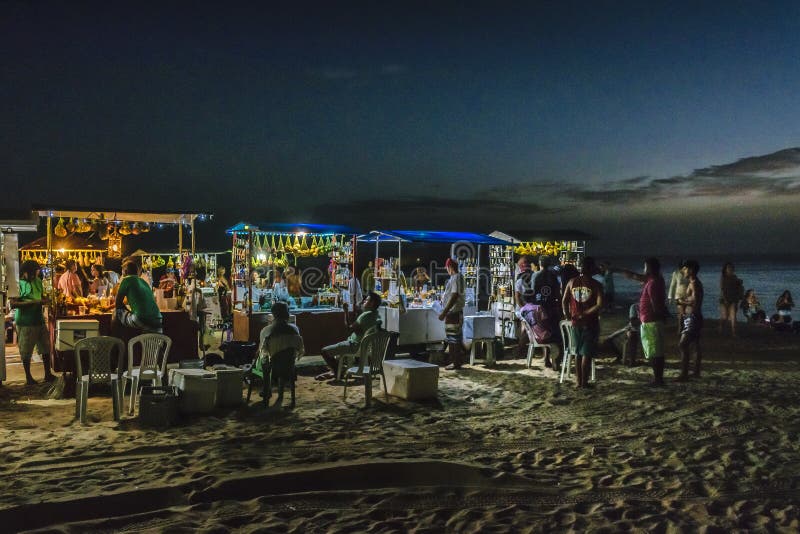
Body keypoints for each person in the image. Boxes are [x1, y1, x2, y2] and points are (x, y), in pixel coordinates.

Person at [612, 257, 668, 386]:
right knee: (655, 351)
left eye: (645, 267)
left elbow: (656, 304)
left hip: (651, 322)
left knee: (655, 352)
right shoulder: (653, 280)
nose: (643, 269)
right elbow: (634, 276)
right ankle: (658, 379)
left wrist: (651, 317)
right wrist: (618, 270)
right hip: (651, 321)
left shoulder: (653, 282)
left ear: (649, 268)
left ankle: (658, 380)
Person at [317, 291, 382, 381]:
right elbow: (359, 330)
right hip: (365, 346)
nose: (363, 302)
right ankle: (336, 370)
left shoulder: (365, 316)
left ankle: (337, 372)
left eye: (366, 300)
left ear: (372, 303)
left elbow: (349, 328)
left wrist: (346, 311)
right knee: (338, 351)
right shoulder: (376, 315)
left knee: (324, 351)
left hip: (354, 346)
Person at [561, 256, 604, 388]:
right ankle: (584, 382)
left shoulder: (571, 282)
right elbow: (599, 304)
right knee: (587, 353)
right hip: (590, 323)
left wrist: (569, 316)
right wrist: (585, 313)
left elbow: (564, 301)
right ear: (591, 268)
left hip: (575, 323)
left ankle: (578, 381)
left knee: (578, 353)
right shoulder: (596, 284)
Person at [10, 260, 55, 384]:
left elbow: (41, 296)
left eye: (37, 273)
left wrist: (46, 300)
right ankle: (28, 377)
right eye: (33, 274)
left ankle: (48, 374)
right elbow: (13, 304)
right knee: (26, 351)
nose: (35, 276)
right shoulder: (18, 284)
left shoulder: (38, 281)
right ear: (25, 273)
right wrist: (33, 303)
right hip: (25, 322)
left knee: (46, 348)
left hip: (39, 320)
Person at [257, 301, 304, 408]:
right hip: (289, 365)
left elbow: (263, 351)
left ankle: (266, 390)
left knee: (263, 361)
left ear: (273, 314)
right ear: (287, 314)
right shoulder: (295, 329)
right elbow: (299, 349)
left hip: (273, 368)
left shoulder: (266, 331)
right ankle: (281, 394)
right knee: (282, 358)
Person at [115, 260, 163, 333]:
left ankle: (116, 340)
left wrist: (128, 312)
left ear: (125, 271)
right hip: (158, 320)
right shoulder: (143, 282)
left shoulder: (126, 280)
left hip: (141, 319)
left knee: (117, 312)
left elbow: (117, 303)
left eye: (122, 271)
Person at [677, 260, 704, 381]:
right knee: (695, 344)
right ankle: (696, 372)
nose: (683, 270)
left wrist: (681, 301)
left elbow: (695, 302)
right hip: (692, 317)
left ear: (691, 269)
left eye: (685, 268)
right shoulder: (693, 282)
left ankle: (684, 374)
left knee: (683, 344)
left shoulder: (694, 284)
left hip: (692, 317)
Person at [439, 257, 467, 370]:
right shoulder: (457, 277)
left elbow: (454, 295)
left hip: (453, 313)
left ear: (449, 267)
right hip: (454, 313)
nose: (447, 270)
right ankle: (456, 361)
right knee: (454, 338)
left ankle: (455, 362)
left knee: (453, 339)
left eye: (447, 267)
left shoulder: (456, 278)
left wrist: (444, 312)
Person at [719, 262, 744, 337]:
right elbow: (722, 289)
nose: (730, 269)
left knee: (733, 316)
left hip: (733, 299)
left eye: (731, 268)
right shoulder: (723, 277)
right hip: (724, 299)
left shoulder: (734, 277)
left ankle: (734, 332)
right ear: (725, 269)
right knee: (725, 317)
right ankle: (721, 326)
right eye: (728, 268)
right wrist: (725, 299)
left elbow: (739, 286)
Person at [668, 262, 689, 329]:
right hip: (679, 295)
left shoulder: (688, 273)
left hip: (688, 295)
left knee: (686, 312)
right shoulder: (676, 273)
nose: (685, 268)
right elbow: (672, 285)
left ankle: (684, 327)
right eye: (684, 267)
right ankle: (680, 327)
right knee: (681, 312)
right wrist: (670, 297)